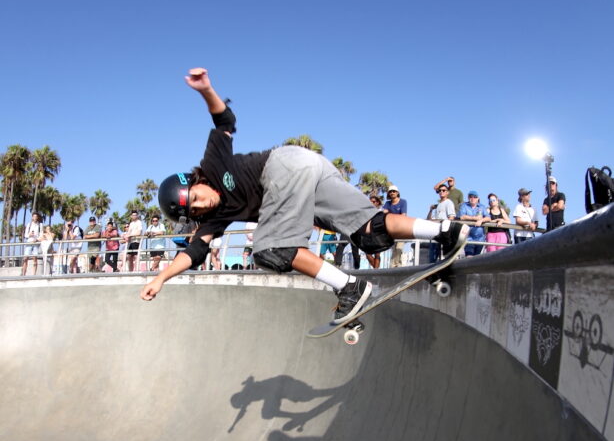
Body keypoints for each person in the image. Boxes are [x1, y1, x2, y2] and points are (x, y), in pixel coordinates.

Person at [140, 67, 468, 323]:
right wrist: (161, 278)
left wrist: (206, 89)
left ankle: (350, 288)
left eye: (196, 197)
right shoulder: (216, 217)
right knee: (371, 229)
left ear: (193, 181)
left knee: (272, 249)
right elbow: (196, 250)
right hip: (312, 172)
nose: (203, 204)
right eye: (196, 211)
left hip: (285, 166)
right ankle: (444, 232)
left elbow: (224, 120)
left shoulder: (212, 163)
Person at [427, 184, 456, 262]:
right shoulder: (438, 205)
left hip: (443, 234)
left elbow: (451, 217)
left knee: (443, 257)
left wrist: (446, 233)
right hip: (436, 232)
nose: (441, 192)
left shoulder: (449, 203)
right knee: (433, 256)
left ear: (447, 192)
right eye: (440, 190)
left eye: (444, 190)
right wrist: (431, 210)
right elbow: (429, 219)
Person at [383, 185, 409, 267]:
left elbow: (403, 216)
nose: (392, 193)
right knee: (393, 249)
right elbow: (383, 213)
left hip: (401, 229)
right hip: (391, 230)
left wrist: (390, 216)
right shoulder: (388, 203)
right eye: (390, 191)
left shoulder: (403, 202)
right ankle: (395, 267)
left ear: (397, 193)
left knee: (399, 249)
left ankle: (393, 266)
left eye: (394, 191)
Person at [459, 190, 488, 256]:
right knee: (469, 256)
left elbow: (488, 218)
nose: (473, 198)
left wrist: (481, 220)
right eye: (471, 197)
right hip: (468, 237)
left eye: (475, 197)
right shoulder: (464, 206)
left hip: (480, 238)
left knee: (477, 258)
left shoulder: (482, 207)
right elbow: (462, 217)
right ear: (468, 198)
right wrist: (475, 218)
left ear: (478, 198)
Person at [364, 194, 383, 268]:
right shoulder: (366, 212)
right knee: (367, 254)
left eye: (374, 202)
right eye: (370, 202)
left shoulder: (380, 211)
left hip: (378, 233)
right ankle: (376, 270)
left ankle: (376, 272)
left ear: (377, 202)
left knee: (377, 254)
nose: (372, 203)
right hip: (368, 235)